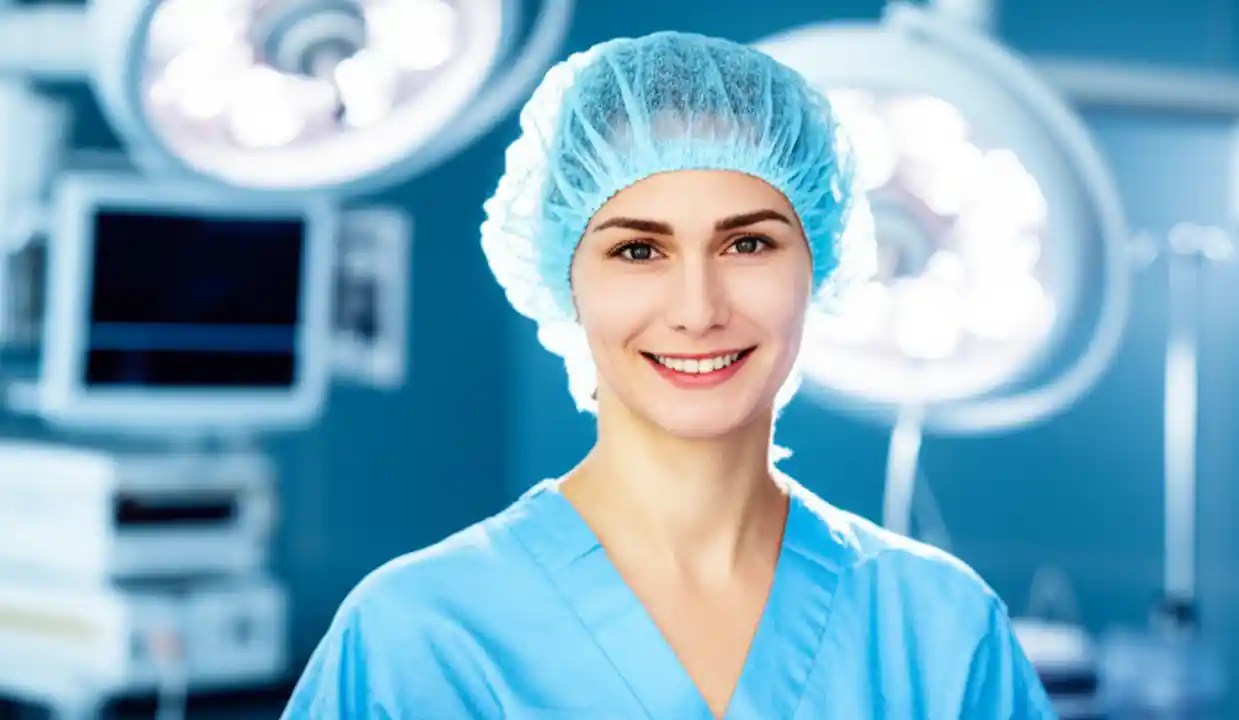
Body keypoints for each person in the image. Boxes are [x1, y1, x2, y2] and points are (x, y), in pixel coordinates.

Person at [282, 31, 1055, 719]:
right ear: (563, 278)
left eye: (748, 245)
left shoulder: (936, 631)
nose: (698, 310)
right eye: (638, 250)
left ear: (819, 263)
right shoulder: (419, 639)